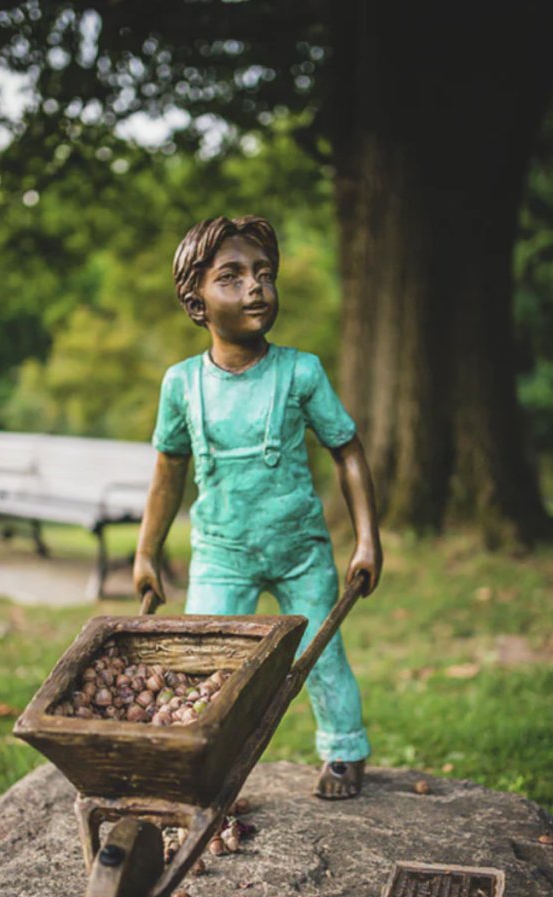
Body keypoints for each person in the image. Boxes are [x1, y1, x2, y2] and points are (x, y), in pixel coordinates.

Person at [133, 215, 382, 799]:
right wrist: (147, 551)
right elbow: (169, 471)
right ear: (196, 302)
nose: (255, 288)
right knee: (210, 664)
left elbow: (347, 450)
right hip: (221, 554)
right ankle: (203, 758)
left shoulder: (301, 372)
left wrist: (367, 539)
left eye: (265, 275)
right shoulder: (183, 384)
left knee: (323, 655)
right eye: (232, 277)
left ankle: (345, 751)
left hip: (300, 551)